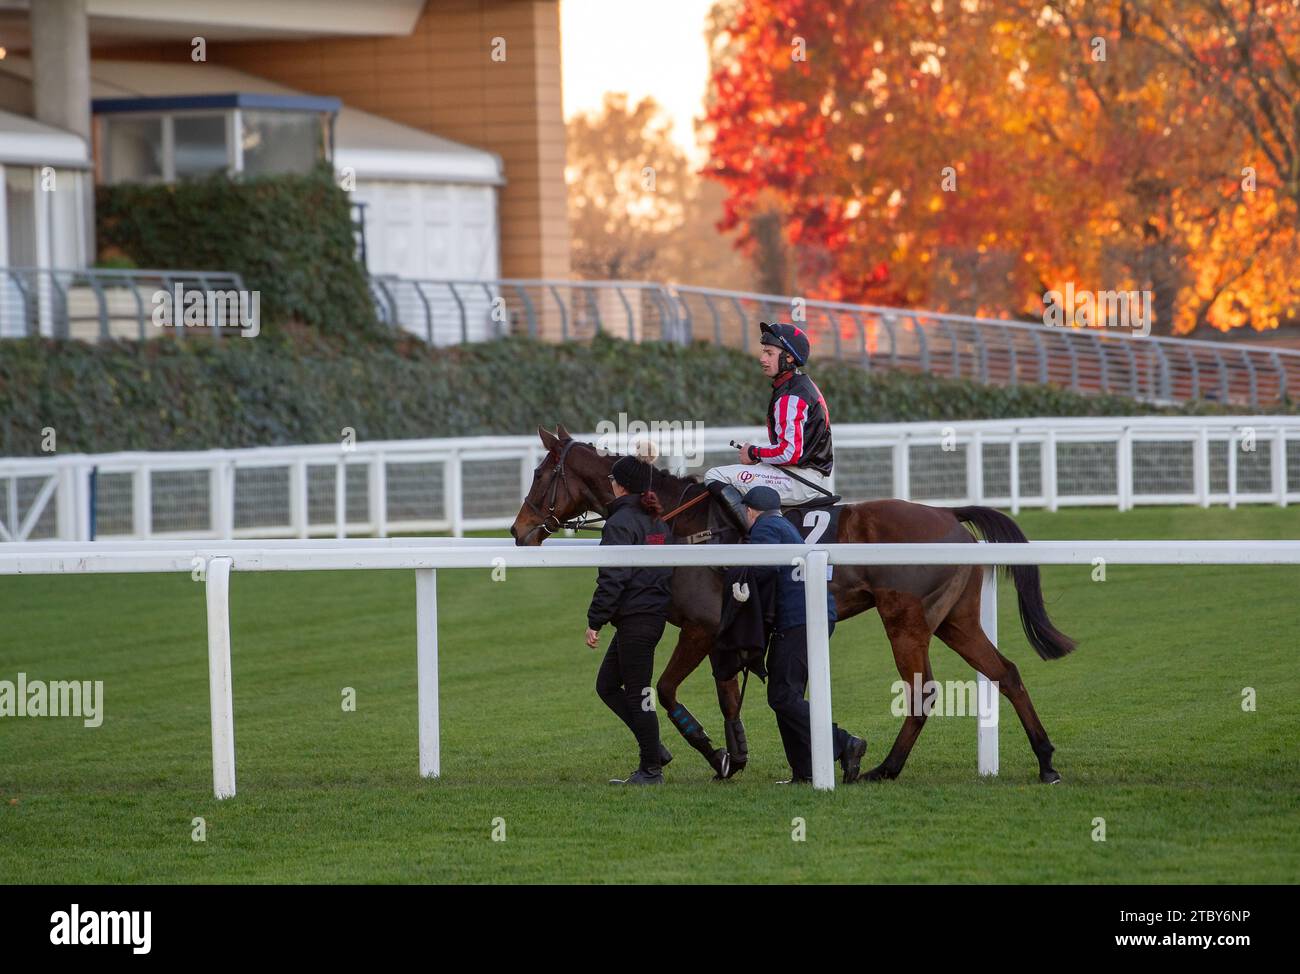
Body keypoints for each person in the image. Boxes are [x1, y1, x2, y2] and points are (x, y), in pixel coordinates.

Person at [740, 484, 866, 784]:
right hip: (814, 615)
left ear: (749, 511)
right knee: (786, 696)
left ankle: (843, 742)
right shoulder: (783, 524)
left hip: (798, 620)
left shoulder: (765, 527)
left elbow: (761, 570)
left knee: (783, 696)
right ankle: (805, 772)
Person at [585, 444, 674, 785]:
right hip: (648, 616)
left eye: (612, 479)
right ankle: (654, 750)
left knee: (638, 694)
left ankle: (651, 770)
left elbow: (613, 577)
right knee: (607, 685)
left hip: (637, 618)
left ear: (620, 485)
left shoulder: (620, 522)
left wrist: (595, 621)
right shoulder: (655, 520)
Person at [704, 321, 835, 536]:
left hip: (800, 479)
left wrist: (754, 452)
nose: (762, 358)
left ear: (789, 357)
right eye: (763, 352)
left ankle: (752, 537)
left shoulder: (791, 396)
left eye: (769, 353)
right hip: (801, 473)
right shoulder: (797, 385)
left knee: (715, 475)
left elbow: (790, 452)